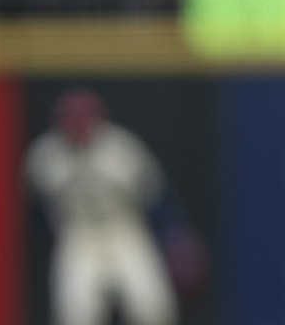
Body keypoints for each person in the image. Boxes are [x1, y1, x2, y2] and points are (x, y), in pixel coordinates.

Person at [26, 88, 201, 325]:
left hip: (123, 230)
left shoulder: (122, 148)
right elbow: (36, 207)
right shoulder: (44, 155)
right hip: (79, 234)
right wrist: (53, 234)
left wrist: (176, 235)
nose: (79, 124)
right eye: (72, 117)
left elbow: (157, 197)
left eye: (84, 116)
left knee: (151, 307)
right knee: (76, 312)